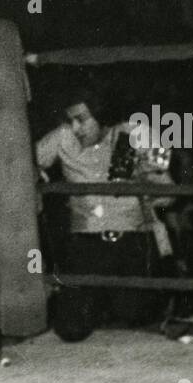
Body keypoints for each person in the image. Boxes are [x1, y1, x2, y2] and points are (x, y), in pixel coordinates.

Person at [35, 88, 172, 342]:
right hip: (86, 243)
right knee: (70, 329)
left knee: (135, 314)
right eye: (71, 119)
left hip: (131, 239)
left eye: (82, 119)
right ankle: (96, 299)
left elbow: (168, 192)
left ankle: (114, 299)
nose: (76, 127)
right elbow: (26, 162)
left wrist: (145, 176)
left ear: (102, 114)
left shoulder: (138, 133)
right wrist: (37, 175)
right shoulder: (63, 137)